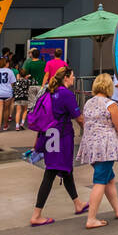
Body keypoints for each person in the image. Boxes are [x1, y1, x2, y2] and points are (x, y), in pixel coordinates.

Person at [29, 66, 87, 226]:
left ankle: (78, 203)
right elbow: (79, 118)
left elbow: (43, 118)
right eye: (73, 75)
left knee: (66, 169)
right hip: (61, 137)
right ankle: (36, 215)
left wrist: (37, 141)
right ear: (66, 77)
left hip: (49, 135)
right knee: (51, 172)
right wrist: (88, 133)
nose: (74, 79)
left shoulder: (49, 91)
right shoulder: (66, 94)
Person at [76, 73, 118, 229]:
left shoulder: (88, 103)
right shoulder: (110, 104)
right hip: (105, 146)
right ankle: (91, 218)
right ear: (109, 87)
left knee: (108, 178)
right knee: (100, 181)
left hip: (90, 146)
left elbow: (84, 122)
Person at [0, 56, 16, 132]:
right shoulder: (10, 71)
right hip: (8, 93)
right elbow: (12, 83)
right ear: (6, 63)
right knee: (6, 110)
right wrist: (9, 88)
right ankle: (5, 125)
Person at [21, 47, 46, 112]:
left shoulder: (29, 64)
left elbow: (25, 75)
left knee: (31, 104)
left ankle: (32, 118)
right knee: (40, 103)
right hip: (41, 85)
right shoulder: (43, 63)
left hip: (32, 85)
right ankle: (39, 117)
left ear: (32, 54)